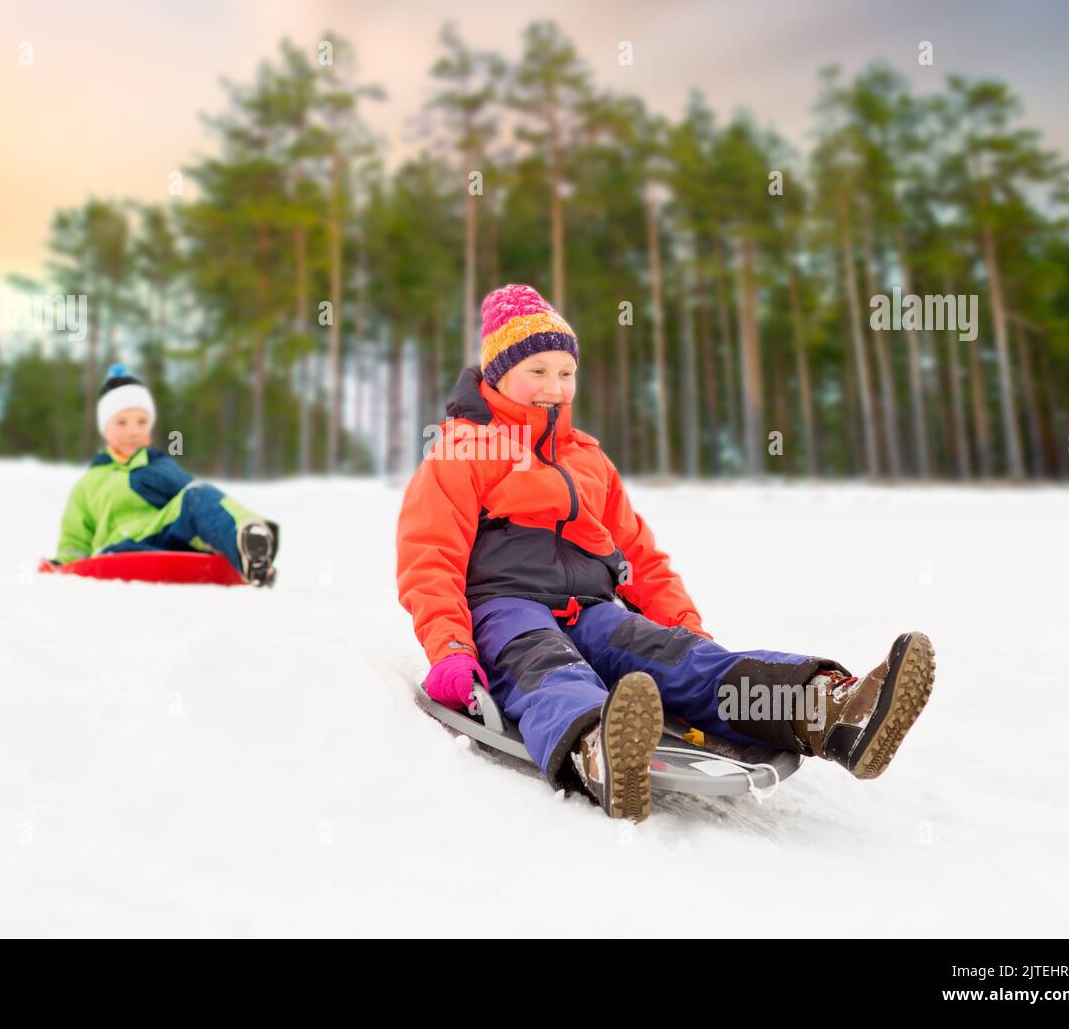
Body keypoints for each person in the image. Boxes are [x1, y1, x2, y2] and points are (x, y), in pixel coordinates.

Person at [396, 284, 934, 822]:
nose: (554, 388)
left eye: (565, 372)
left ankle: (831, 712)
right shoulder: (464, 449)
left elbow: (641, 557)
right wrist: (449, 651)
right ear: (497, 373)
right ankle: (601, 749)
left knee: (679, 660)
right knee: (549, 669)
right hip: (505, 609)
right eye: (536, 371)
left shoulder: (588, 459)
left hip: (592, 608)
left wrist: (684, 629)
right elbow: (430, 556)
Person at [54, 364, 279, 586]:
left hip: (164, 535)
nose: (133, 431)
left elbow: (198, 506)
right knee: (116, 550)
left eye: (141, 422)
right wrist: (64, 564)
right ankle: (146, 556)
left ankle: (250, 545)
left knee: (198, 494)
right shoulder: (88, 483)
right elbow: (74, 537)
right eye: (121, 422)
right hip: (118, 550)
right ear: (105, 429)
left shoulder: (160, 465)